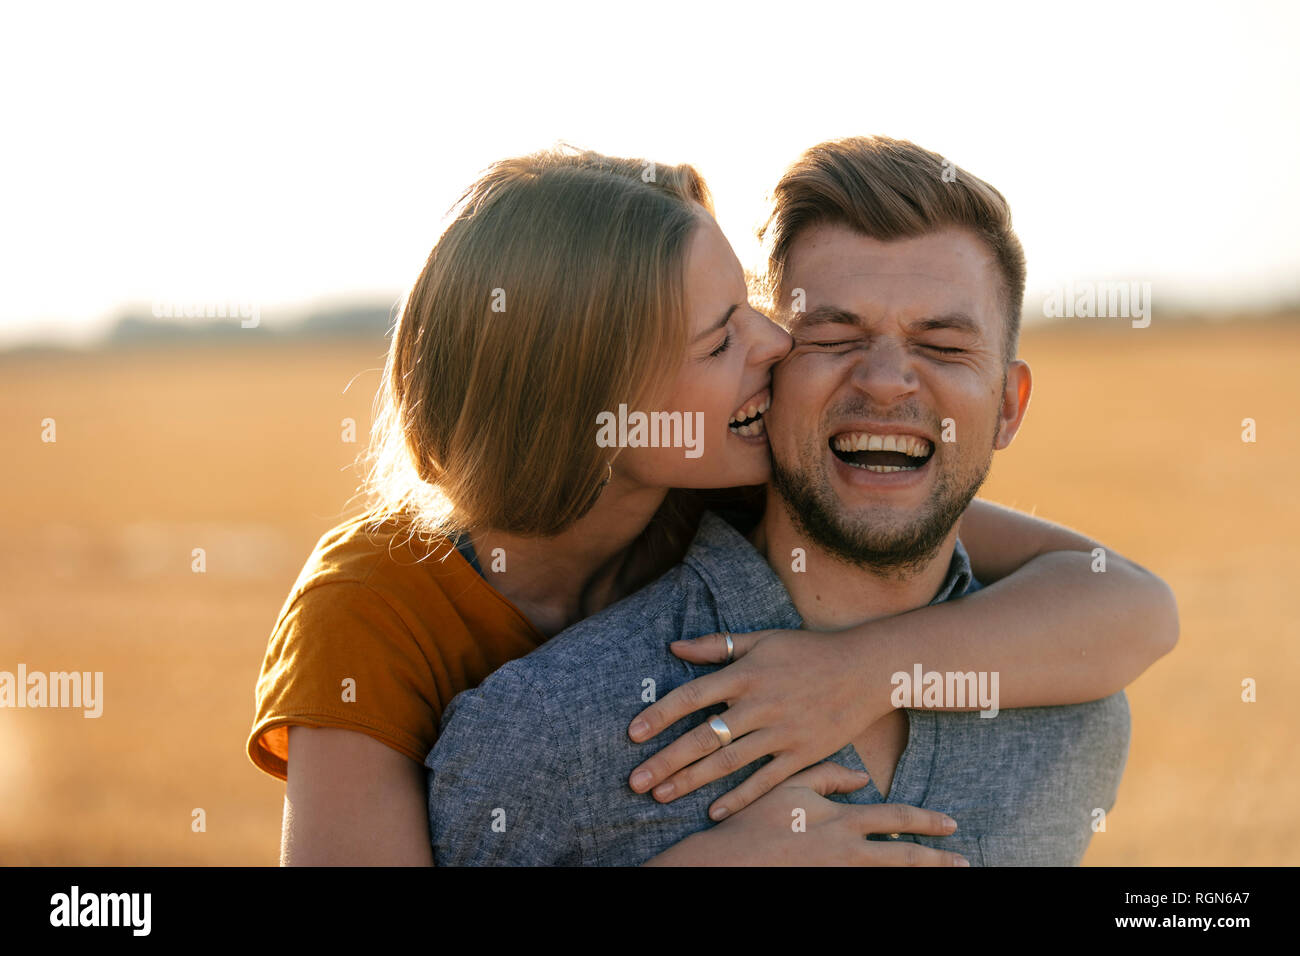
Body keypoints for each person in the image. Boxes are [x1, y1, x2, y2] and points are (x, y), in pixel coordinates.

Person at [249, 145, 1177, 865]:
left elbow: (1128, 601)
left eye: (756, 309)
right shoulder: (369, 604)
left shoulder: (734, 478)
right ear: (600, 407)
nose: (776, 342)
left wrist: (863, 671)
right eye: (722, 337)